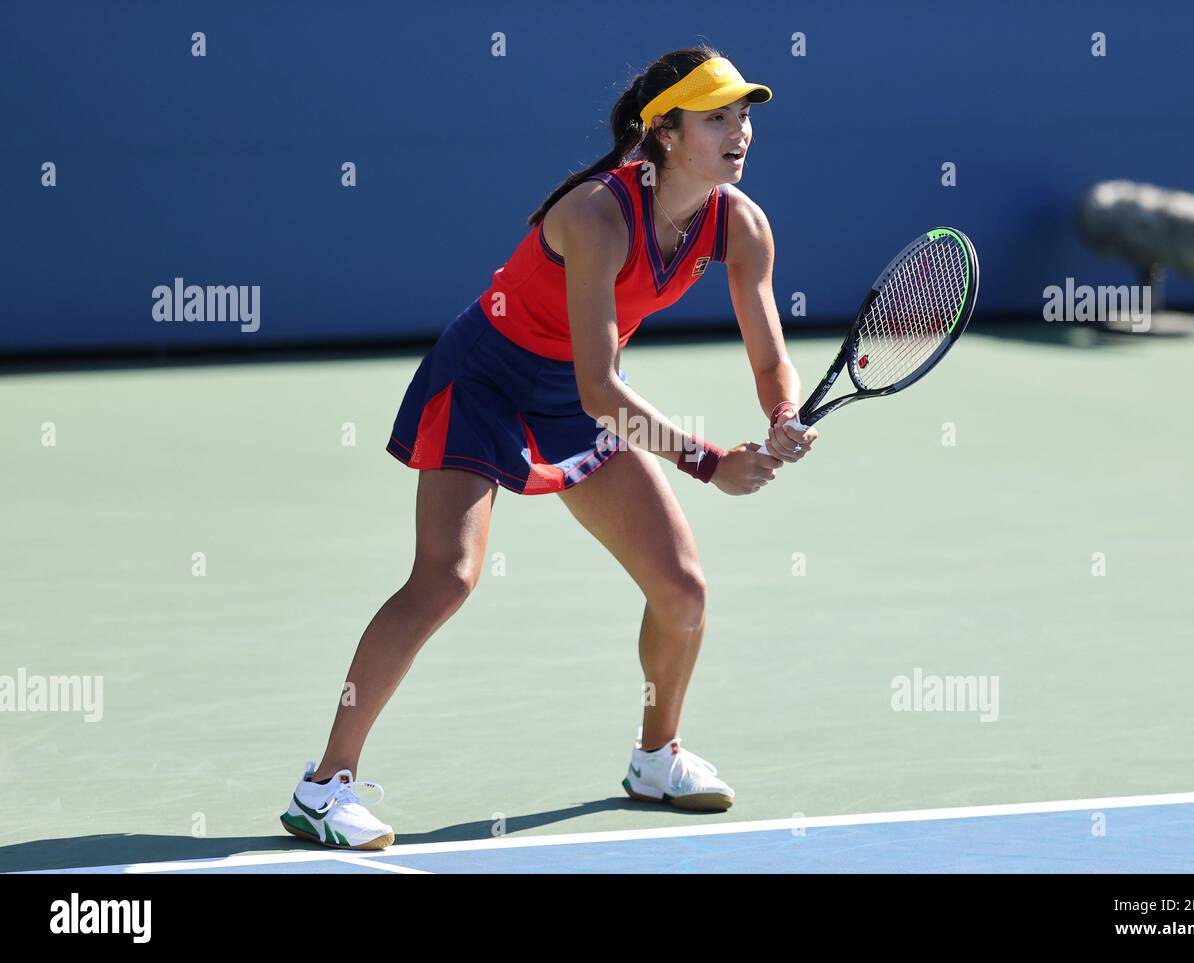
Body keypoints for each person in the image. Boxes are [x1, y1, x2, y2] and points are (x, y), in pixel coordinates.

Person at [280, 45, 816, 851]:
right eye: (717, 117)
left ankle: (655, 757)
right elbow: (604, 391)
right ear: (666, 134)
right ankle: (324, 786)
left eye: (744, 114)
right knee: (445, 579)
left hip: (573, 399)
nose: (740, 131)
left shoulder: (739, 224)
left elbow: (770, 354)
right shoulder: (596, 214)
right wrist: (709, 462)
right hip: (487, 379)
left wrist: (782, 411)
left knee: (683, 591)